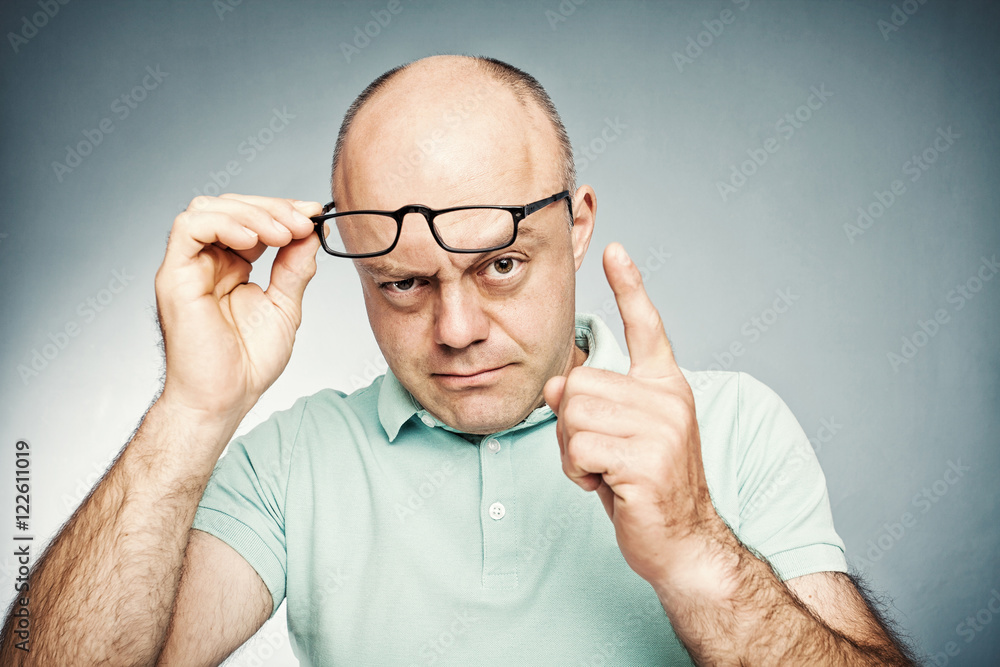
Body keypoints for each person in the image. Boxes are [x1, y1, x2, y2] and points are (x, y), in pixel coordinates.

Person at [0, 55, 916, 666]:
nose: (457, 328)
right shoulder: (291, 463)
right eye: (402, 284)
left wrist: (696, 549)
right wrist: (189, 412)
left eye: (502, 265)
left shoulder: (729, 427)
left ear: (579, 222)